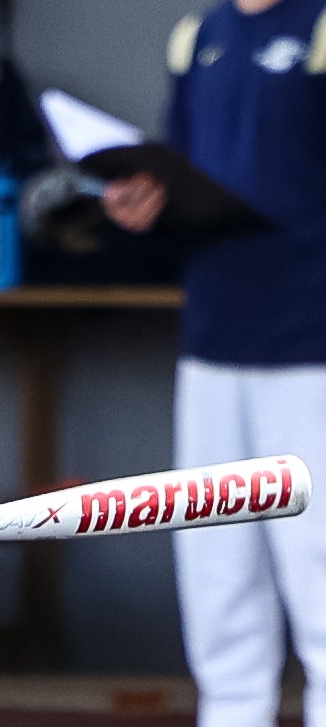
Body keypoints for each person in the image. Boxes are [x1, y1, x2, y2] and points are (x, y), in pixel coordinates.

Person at [103, 1, 326, 725]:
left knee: (316, 570)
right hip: (211, 338)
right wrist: (144, 205)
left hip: (309, 344)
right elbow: (188, 175)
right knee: (216, 575)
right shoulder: (197, 35)